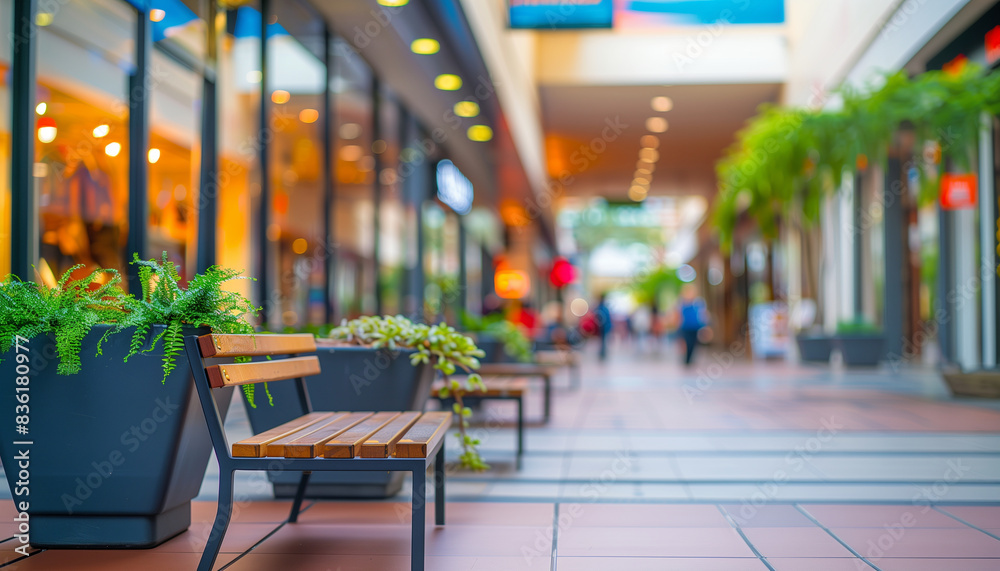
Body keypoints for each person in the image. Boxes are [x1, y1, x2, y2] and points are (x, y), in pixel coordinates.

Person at [676, 284, 708, 366]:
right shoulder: (681, 302)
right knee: (687, 343)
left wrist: (705, 326)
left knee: (693, 343)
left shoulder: (698, 302)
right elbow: (678, 315)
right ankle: (686, 360)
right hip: (685, 327)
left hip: (695, 326)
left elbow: (702, 314)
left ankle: (690, 359)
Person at [594, 293, 612, 361]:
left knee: (603, 340)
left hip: (603, 327)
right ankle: (602, 352)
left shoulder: (601, 307)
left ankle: (602, 352)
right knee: (602, 340)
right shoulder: (602, 307)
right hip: (602, 327)